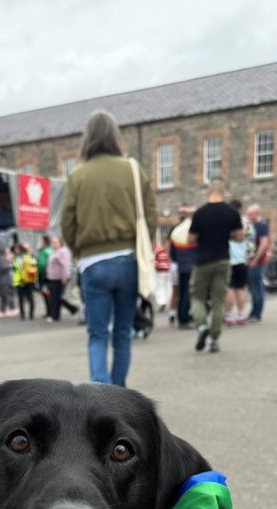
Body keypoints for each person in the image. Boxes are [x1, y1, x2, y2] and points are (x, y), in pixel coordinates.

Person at [61, 109, 156, 387]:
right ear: (115, 136)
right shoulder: (132, 169)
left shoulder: (78, 175)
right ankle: (118, 394)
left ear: (87, 138)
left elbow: (67, 222)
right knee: (123, 332)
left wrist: (80, 250)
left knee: (97, 334)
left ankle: (100, 396)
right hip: (128, 260)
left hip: (93, 262)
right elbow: (150, 216)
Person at [189, 182, 243, 353]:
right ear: (222, 193)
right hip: (223, 259)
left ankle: (201, 325)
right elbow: (239, 237)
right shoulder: (231, 213)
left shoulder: (200, 213)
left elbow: (191, 239)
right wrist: (227, 235)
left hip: (203, 260)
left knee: (197, 296)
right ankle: (214, 339)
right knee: (218, 300)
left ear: (209, 192)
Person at [169, 204, 197, 328]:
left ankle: (182, 316)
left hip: (181, 265)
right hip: (193, 264)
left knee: (182, 292)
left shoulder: (176, 230)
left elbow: (172, 253)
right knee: (188, 293)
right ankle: (184, 318)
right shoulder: (194, 229)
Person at [224, 199, 249, 325]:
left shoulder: (226, 221)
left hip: (229, 259)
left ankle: (228, 316)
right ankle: (241, 315)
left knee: (229, 288)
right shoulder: (246, 222)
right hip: (242, 259)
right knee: (240, 288)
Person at [245, 205, 269, 323]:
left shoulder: (261, 226)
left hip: (258, 262)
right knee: (252, 287)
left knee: (256, 287)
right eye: (248, 214)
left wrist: (255, 260)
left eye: (250, 214)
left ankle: (256, 314)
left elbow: (264, 244)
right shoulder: (250, 226)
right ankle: (253, 312)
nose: (248, 216)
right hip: (249, 261)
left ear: (257, 213)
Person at [45, 236, 78, 321]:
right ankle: (72, 309)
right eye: (52, 242)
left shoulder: (62, 252)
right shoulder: (54, 252)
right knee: (56, 297)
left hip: (59, 278)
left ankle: (55, 316)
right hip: (52, 278)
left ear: (60, 243)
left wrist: (64, 277)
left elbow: (65, 265)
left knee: (55, 298)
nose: (53, 244)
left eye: (56, 242)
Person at [0, 231, 19, 317]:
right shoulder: (0, 258)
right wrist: (10, 265)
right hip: (4, 281)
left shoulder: (0, 257)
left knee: (5, 297)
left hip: (4, 280)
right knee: (7, 295)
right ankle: (11, 309)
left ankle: (4, 310)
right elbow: (1, 268)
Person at [12, 244, 37, 320]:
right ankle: (31, 315)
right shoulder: (30, 256)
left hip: (20, 281)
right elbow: (34, 268)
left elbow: (15, 269)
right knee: (30, 298)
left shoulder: (17, 258)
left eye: (16, 249)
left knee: (21, 299)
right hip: (30, 280)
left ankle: (23, 315)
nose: (15, 251)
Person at [36, 234, 53, 318]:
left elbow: (41, 264)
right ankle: (49, 312)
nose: (39, 242)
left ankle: (49, 312)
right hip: (48, 275)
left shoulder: (44, 251)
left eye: (40, 241)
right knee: (48, 293)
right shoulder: (50, 250)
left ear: (44, 241)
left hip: (43, 275)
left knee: (46, 293)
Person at [153, 238, 171, 312]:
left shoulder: (158, 250)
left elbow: (155, 260)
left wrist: (155, 267)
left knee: (161, 286)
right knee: (164, 286)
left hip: (161, 271)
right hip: (166, 271)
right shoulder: (168, 250)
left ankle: (162, 302)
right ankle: (164, 301)